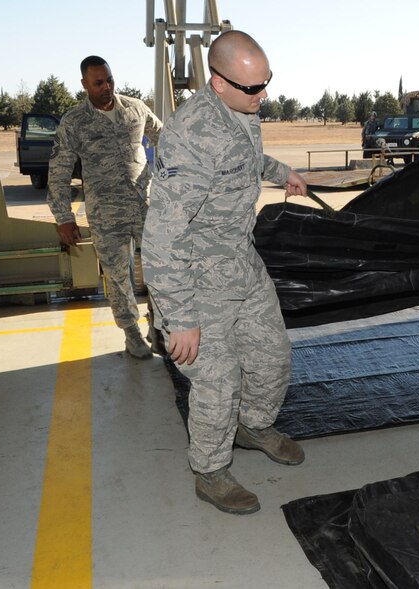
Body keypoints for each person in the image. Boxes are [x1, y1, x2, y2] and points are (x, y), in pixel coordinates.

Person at [142, 31, 308, 515]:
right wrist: (180, 317)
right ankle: (210, 471)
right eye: (253, 89)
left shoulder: (243, 108)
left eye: (267, 83)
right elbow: (162, 236)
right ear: (218, 83)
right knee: (218, 381)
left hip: (239, 260)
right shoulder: (192, 134)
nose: (264, 96)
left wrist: (281, 172)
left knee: (272, 356)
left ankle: (254, 426)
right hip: (194, 278)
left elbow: (244, 159)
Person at [47, 56, 163, 359]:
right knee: (117, 275)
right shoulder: (74, 122)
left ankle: (159, 326)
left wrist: (169, 175)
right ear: (84, 84)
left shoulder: (136, 108)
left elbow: (164, 136)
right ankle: (131, 334)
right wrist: (64, 217)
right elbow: (58, 171)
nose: (106, 87)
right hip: (105, 213)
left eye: (109, 79)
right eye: (98, 82)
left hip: (144, 205)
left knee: (161, 268)